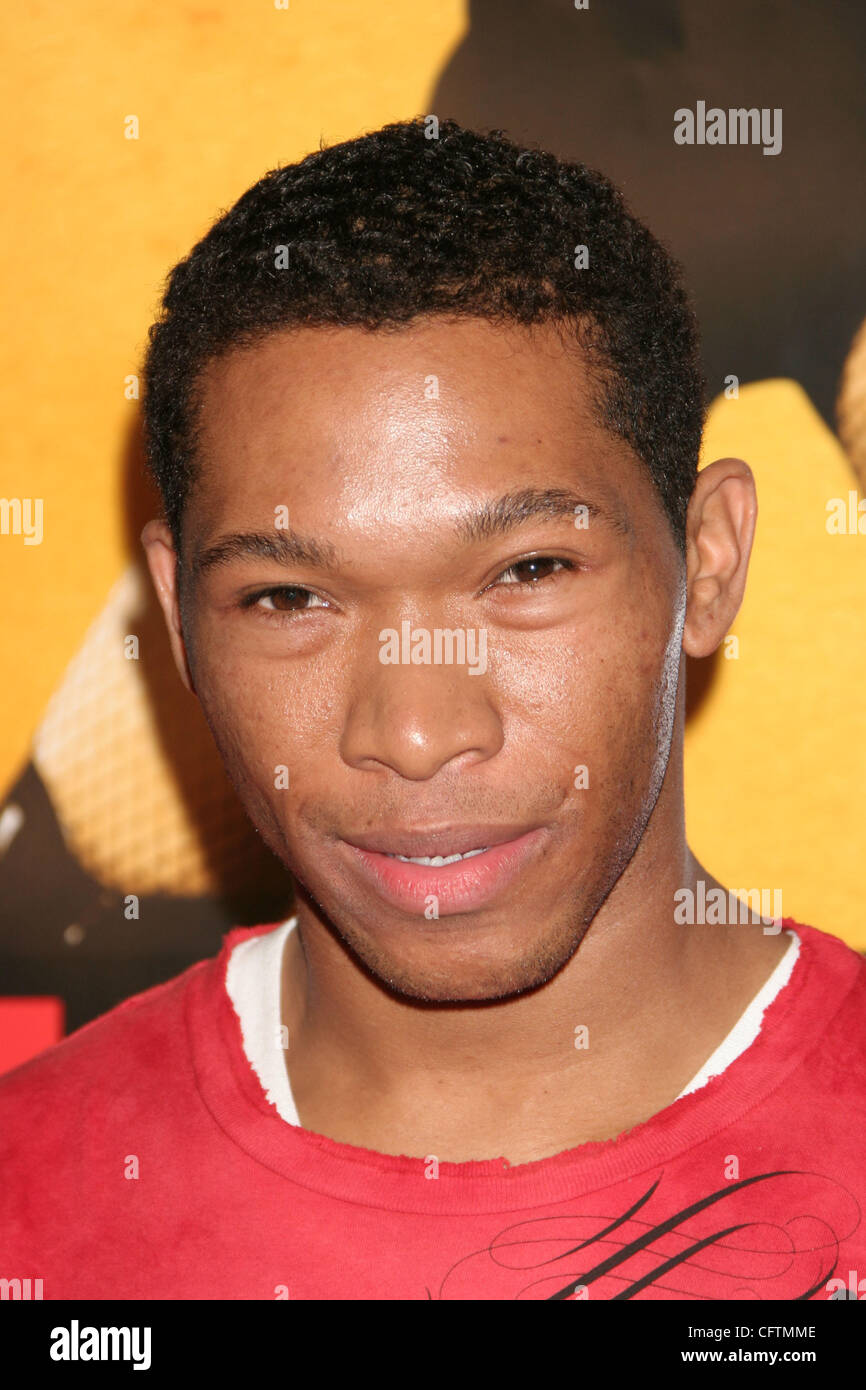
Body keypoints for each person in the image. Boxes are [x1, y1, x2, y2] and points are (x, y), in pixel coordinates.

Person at [1, 118, 863, 1302]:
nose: (412, 732)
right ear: (178, 617)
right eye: (288, 595)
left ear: (706, 564)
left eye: (526, 573)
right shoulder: (26, 1200)